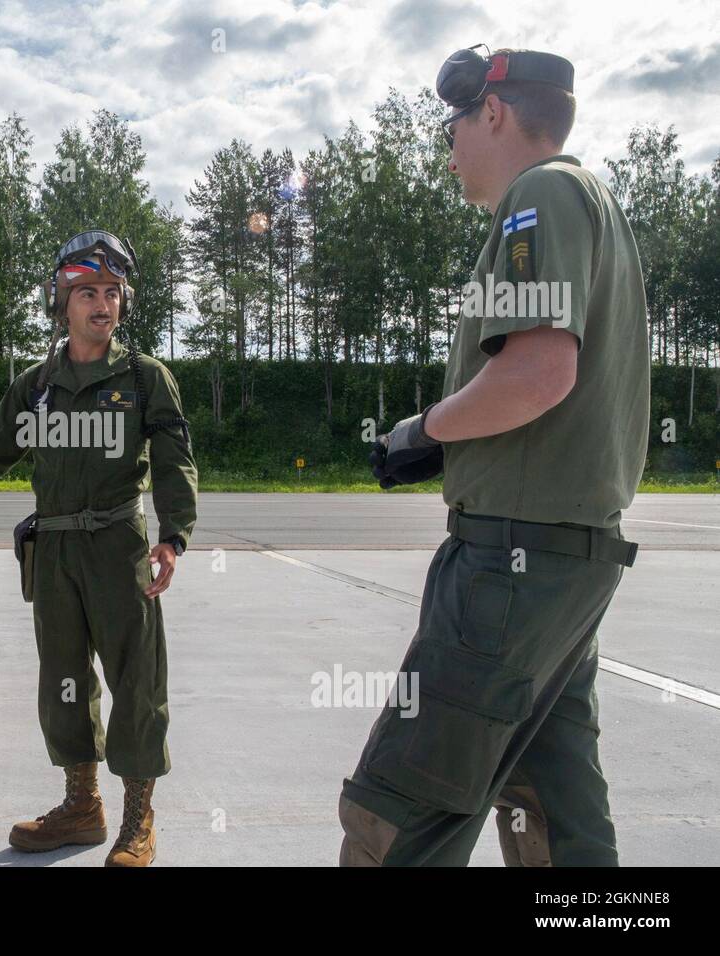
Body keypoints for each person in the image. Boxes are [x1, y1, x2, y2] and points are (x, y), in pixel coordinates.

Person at [346, 46, 650, 866]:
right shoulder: (595, 203)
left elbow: (539, 371)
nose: (448, 154)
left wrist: (423, 431)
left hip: (511, 569)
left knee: (399, 809)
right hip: (563, 564)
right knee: (552, 804)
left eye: (452, 129)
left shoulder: (541, 194)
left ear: (494, 112)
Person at [0, 231, 198, 866]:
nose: (101, 305)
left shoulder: (143, 379)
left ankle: (139, 820)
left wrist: (173, 539)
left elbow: (174, 461)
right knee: (64, 682)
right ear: (62, 300)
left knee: (136, 682)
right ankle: (82, 807)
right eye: (87, 292)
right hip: (51, 552)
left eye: (111, 293)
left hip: (118, 548)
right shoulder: (37, 386)